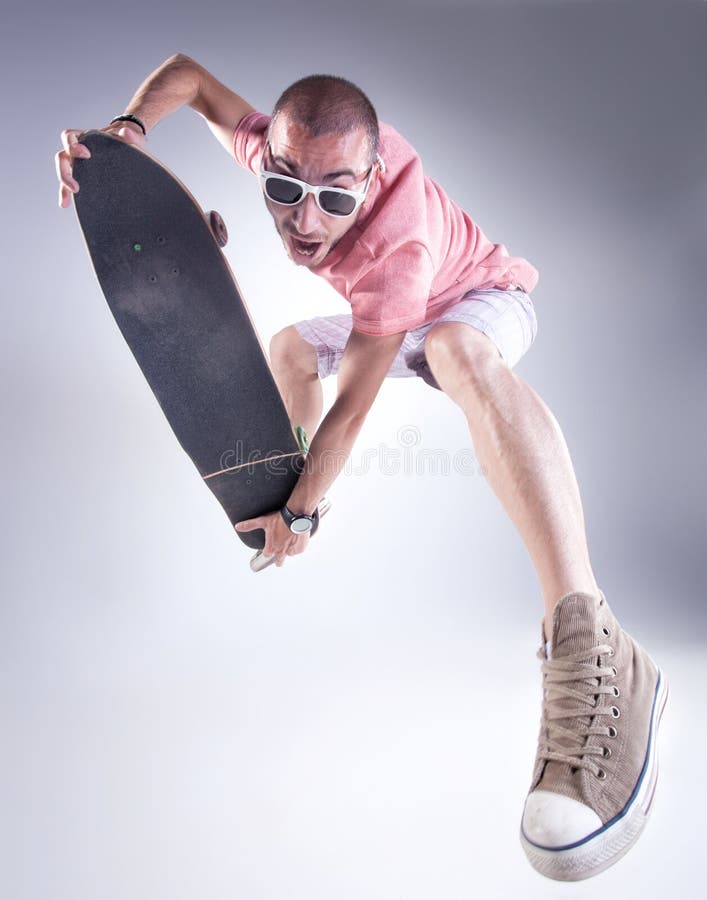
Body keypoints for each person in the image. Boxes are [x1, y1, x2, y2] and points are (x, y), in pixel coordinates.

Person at [55, 53, 667, 882]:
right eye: (283, 189)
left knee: (454, 348)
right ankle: (283, 474)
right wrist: (123, 136)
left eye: (335, 199)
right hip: (402, 315)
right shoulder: (289, 150)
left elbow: (354, 411)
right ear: (269, 152)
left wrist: (305, 515)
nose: (304, 221)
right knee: (287, 349)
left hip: (476, 299)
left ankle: (588, 634)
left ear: (370, 180)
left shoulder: (398, 246)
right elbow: (192, 79)